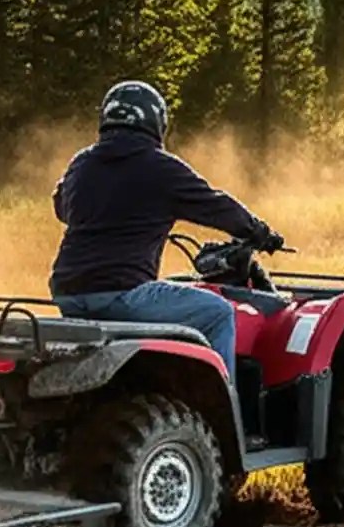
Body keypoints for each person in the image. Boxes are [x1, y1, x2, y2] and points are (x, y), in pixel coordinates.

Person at [48, 80, 283, 384]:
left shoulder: (81, 163)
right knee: (219, 313)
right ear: (156, 122)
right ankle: (223, 411)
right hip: (124, 294)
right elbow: (215, 205)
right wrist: (260, 233)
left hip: (68, 295)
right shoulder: (161, 168)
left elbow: (62, 208)